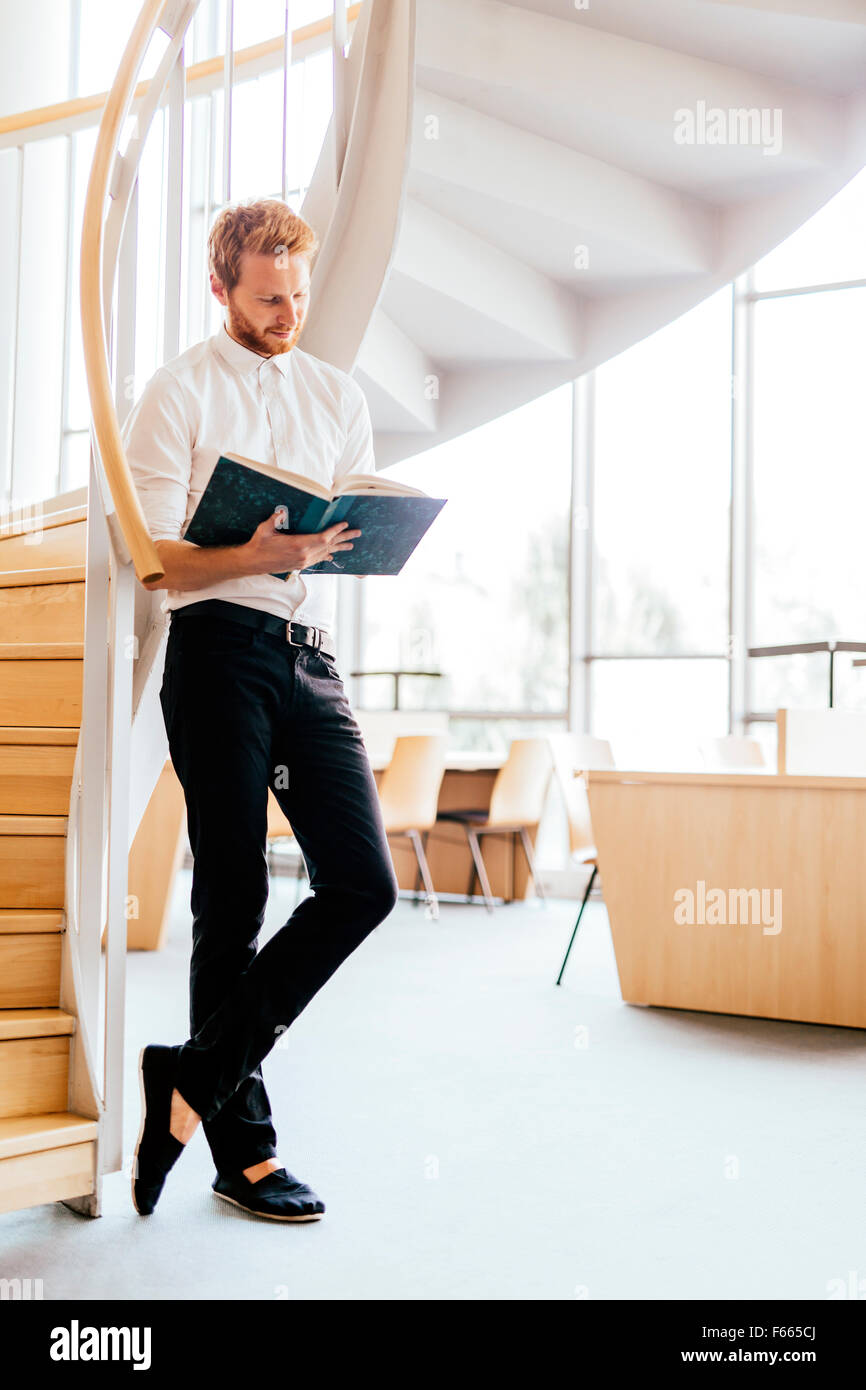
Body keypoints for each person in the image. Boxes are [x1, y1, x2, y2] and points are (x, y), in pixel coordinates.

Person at [123, 197, 399, 1222]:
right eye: (267, 298)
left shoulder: (336, 396)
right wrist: (256, 552)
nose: (287, 313)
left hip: (306, 656)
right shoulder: (178, 392)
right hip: (217, 651)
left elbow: (344, 525)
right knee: (230, 896)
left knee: (361, 886)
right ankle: (245, 1157)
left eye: (297, 295)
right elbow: (154, 558)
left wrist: (355, 539)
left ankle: (187, 1079)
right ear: (222, 288)